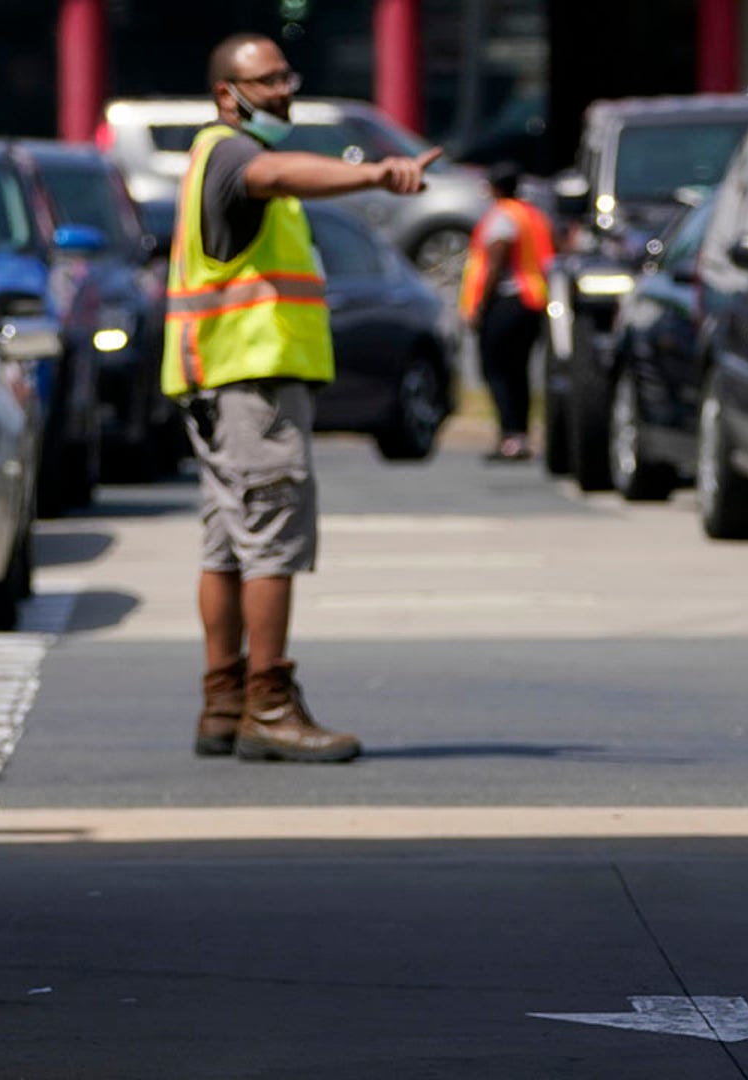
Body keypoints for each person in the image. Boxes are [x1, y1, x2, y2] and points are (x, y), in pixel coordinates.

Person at [167, 32, 440, 764]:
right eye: (267, 80)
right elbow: (279, 171)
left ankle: (223, 702)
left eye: (288, 75)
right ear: (228, 94)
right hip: (251, 386)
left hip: (220, 384)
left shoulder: (212, 158)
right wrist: (378, 173)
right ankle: (269, 705)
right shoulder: (231, 154)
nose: (284, 89)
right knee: (270, 546)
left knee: (227, 546)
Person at [459, 160, 557, 461]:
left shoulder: (502, 216)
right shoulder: (533, 215)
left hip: (506, 301)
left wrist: (479, 304)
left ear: (494, 187)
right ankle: (521, 435)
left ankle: (510, 435)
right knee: (519, 370)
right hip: (533, 300)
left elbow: (495, 262)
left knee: (497, 370)